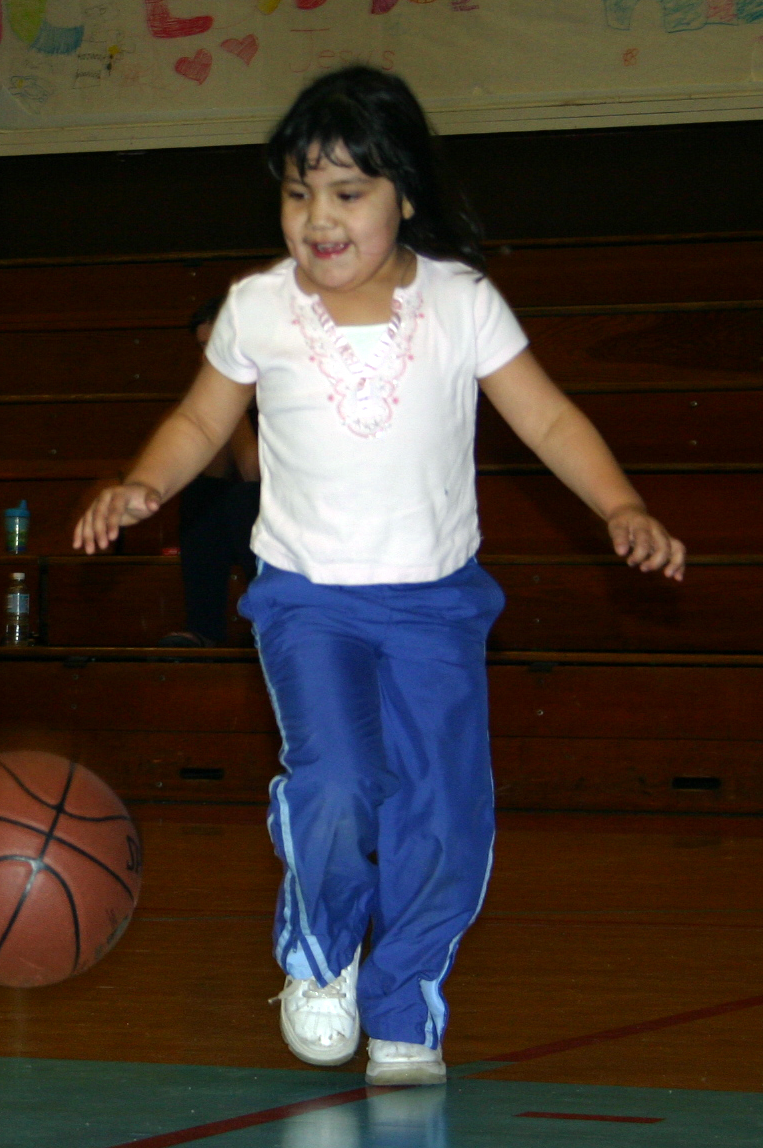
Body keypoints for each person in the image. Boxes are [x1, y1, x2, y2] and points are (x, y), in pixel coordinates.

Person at [74, 67, 684, 1086]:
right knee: (341, 784)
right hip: (307, 600)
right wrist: (143, 482)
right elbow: (198, 420)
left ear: (403, 193)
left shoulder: (460, 303)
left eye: (347, 192)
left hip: (436, 605)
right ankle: (320, 958)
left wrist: (620, 505)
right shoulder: (258, 308)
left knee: (443, 814)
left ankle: (404, 1004)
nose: (318, 218)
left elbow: (548, 417)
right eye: (297, 193)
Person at [161, 297, 261, 648]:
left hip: (308, 515)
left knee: (244, 500)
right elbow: (214, 472)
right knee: (202, 497)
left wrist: (233, 403)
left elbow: (254, 473)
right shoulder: (230, 393)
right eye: (203, 348)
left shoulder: (284, 387)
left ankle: (276, 622)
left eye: (215, 345)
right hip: (250, 522)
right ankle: (204, 630)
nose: (208, 358)